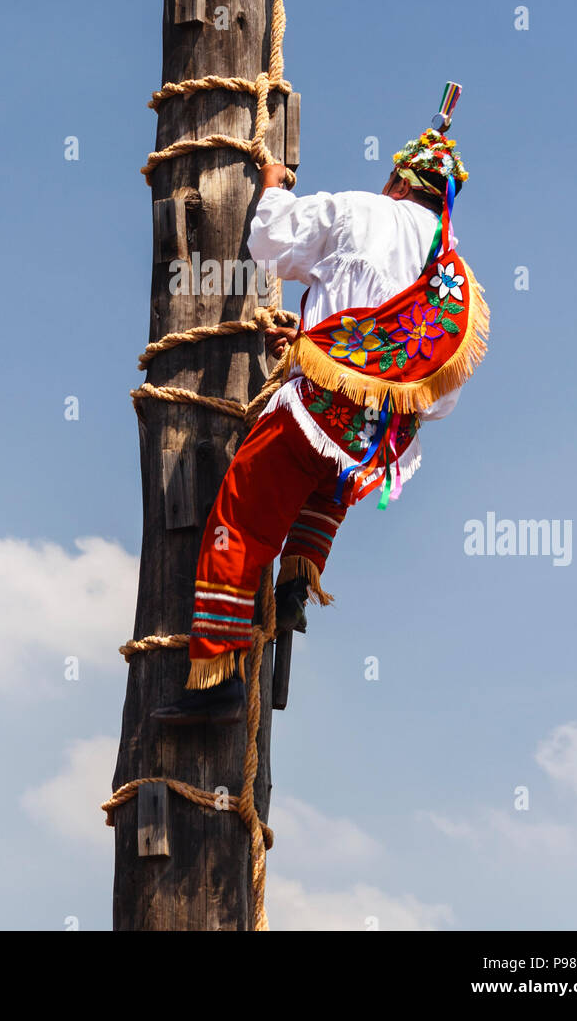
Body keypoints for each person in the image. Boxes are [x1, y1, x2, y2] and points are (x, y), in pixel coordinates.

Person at [152, 87, 489, 726]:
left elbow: (272, 244)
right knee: (325, 483)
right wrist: (315, 346)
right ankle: (299, 579)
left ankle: (214, 676)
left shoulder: (361, 211)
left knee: (243, 512)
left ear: (396, 180)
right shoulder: (454, 275)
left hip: (314, 413)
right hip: (375, 442)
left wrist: (274, 186)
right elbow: (438, 390)